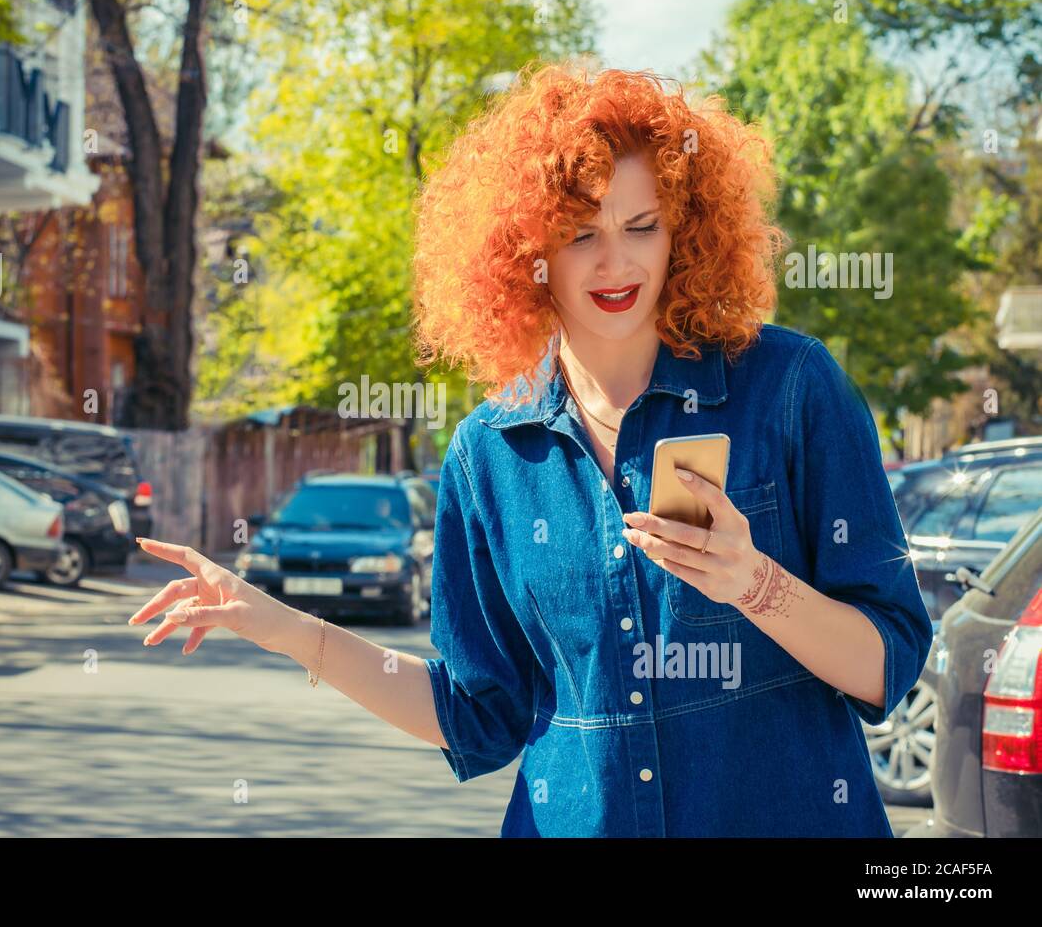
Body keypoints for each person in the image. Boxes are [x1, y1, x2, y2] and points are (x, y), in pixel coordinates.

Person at [127, 62, 932, 837]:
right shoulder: (487, 454)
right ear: (526, 255)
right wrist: (287, 630)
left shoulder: (791, 387)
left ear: (683, 230)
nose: (615, 262)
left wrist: (756, 584)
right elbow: (478, 716)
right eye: (581, 234)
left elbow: (885, 665)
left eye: (641, 226)